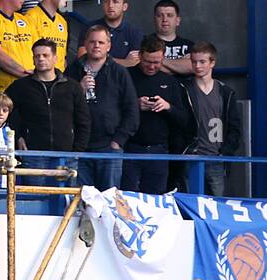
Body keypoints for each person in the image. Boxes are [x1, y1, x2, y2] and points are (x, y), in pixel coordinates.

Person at [64, 24, 138, 190]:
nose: (96, 46)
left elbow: (132, 110)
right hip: (79, 148)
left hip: (109, 148)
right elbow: (61, 108)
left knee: (109, 200)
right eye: (92, 42)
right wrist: (79, 89)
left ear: (108, 46)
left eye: (101, 42)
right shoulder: (72, 71)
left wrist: (118, 141)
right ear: (85, 44)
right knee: (80, 202)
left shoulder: (119, 72)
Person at [123, 37, 194, 194]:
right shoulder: (126, 76)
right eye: (148, 61)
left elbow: (184, 120)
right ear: (140, 56)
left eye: (157, 62)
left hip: (159, 150)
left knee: (155, 201)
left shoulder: (170, 82)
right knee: (128, 199)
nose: (152, 66)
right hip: (129, 148)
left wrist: (168, 107)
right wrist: (134, 105)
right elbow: (111, 109)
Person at [7, 39, 91, 172]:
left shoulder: (73, 87)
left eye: (45, 55)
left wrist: (77, 150)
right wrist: (19, 137)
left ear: (55, 58)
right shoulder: (20, 87)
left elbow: (83, 120)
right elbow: (6, 114)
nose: (40, 59)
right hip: (33, 155)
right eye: (37, 56)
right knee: (35, 193)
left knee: (64, 193)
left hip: (67, 156)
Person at [185, 42, 240, 196]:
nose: (197, 66)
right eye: (194, 62)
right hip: (192, 157)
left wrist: (226, 152)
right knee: (191, 203)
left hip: (216, 158)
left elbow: (234, 127)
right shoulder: (185, 89)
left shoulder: (225, 92)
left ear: (212, 63)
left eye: (202, 62)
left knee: (217, 204)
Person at [86, 0, 145, 68]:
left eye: (115, 2)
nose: (110, 5)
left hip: (125, 78)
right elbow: (83, 56)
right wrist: (125, 62)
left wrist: (100, 59)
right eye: (106, 1)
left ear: (124, 7)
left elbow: (135, 62)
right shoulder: (90, 28)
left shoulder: (134, 32)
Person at [148, 0, 194, 75]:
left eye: (169, 15)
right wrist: (180, 64)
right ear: (154, 20)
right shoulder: (145, 43)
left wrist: (155, 60)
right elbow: (144, 66)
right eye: (160, 16)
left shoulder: (190, 45)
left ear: (178, 20)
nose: (165, 20)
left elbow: (191, 67)